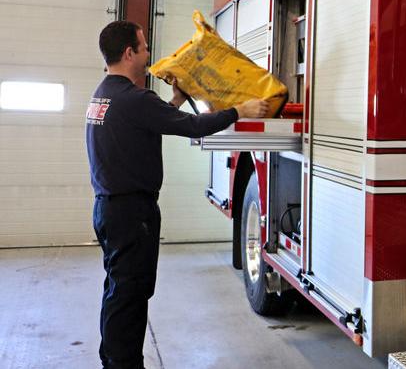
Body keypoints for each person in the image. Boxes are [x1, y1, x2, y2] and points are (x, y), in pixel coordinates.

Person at [85, 21, 269, 368]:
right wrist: (238, 112)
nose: (148, 53)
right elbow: (192, 126)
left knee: (118, 291)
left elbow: (149, 123)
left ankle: (113, 358)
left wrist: (176, 100)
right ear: (129, 53)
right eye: (143, 46)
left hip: (109, 210)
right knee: (131, 295)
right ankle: (124, 364)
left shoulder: (104, 96)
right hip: (132, 214)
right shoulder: (136, 99)